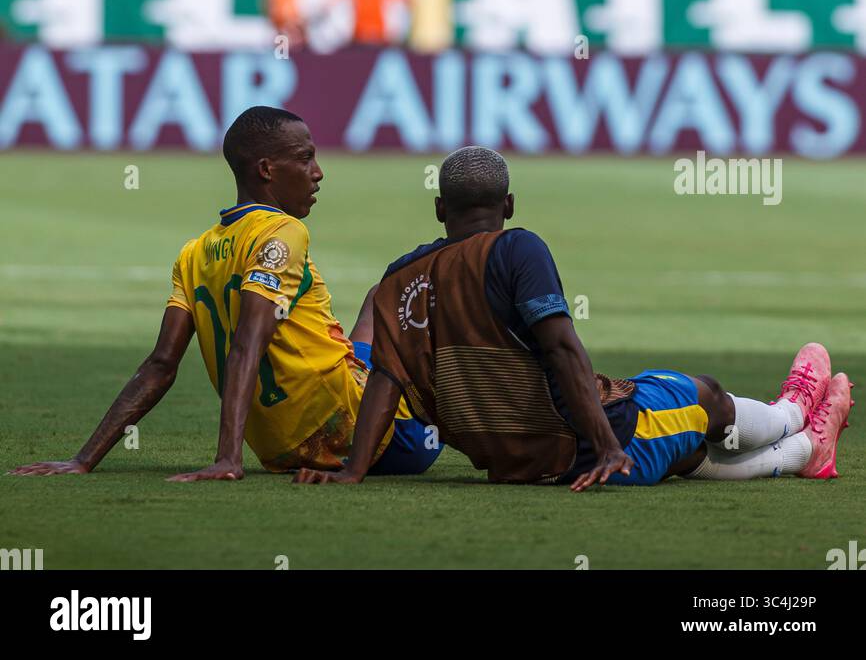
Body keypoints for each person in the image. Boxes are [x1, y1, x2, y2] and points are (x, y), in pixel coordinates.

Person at [297, 146, 852, 490]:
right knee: (699, 395)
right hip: (588, 443)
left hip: (510, 461)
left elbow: (385, 382)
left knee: (684, 452)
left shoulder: (400, 278)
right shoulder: (517, 248)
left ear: (440, 208)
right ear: (509, 205)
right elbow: (562, 348)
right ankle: (793, 420)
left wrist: (352, 469)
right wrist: (607, 447)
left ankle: (802, 450)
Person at [9, 107, 442, 482]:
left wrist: (84, 460)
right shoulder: (284, 231)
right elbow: (249, 342)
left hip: (281, 452)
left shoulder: (193, 254)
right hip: (378, 436)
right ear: (267, 170)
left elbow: (161, 365)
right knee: (421, 302)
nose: (318, 171)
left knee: (380, 296)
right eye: (305, 158)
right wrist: (227, 459)